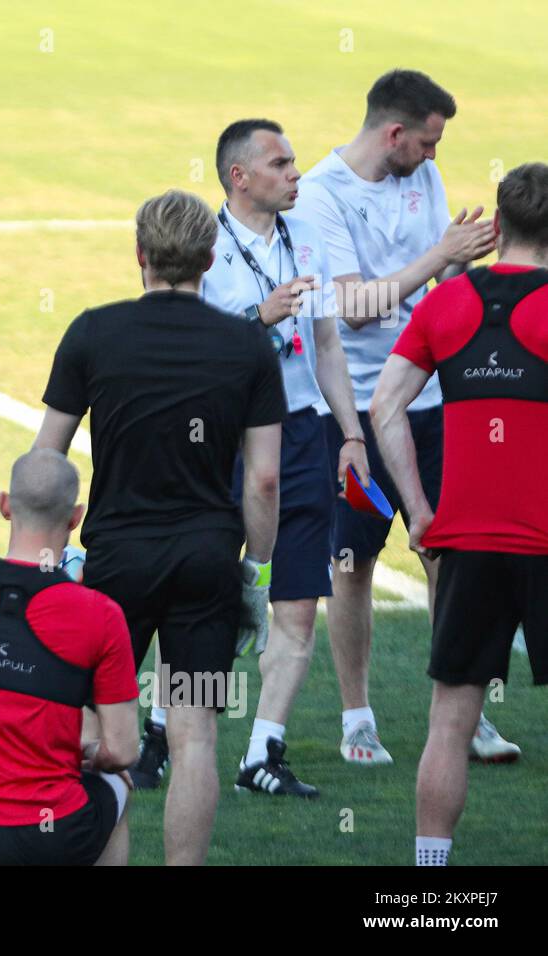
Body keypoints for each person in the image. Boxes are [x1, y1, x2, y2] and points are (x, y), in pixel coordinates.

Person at [35, 190, 284, 864]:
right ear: (210, 258)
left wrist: (47, 555)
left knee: (98, 728)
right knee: (194, 734)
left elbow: (44, 460)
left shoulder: (92, 331)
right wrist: (256, 576)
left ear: (139, 254)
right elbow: (264, 479)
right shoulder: (245, 344)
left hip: (114, 563)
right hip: (206, 564)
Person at [290, 68, 517, 763]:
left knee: (450, 550)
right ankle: (358, 716)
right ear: (394, 133)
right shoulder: (323, 197)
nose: (433, 157)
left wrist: (479, 270)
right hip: (353, 409)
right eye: (427, 142)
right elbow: (353, 306)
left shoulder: (420, 179)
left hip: (432, 398)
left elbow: (444, 277)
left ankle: (464, 708)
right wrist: (440, 255)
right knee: (353, 562)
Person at [145, 119, 362, 799]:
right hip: (218, 440)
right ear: (239, 176)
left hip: (299, 435)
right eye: (281, 163)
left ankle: (263, 750)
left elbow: (327, 345)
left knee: (297, 601)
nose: (297, 173)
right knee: (201, 594)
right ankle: (159, 728)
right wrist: (260, 320)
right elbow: (178, 350)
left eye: (294, 162)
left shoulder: (308, 241)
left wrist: (350, 433)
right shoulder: (200, 248)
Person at [371, 161, 548, 865]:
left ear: (497, 227)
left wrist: (420, 511)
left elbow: (385, 406)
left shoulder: (443, 306)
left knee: (451, 718)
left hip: (467, 541)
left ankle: (430, 880)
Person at [0, 449, 138, 866]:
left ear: (5, 505)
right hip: (53, 833)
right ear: (75, 518)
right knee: (115, 783)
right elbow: (124, 750)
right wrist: (91, 752)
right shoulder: (100, 614)